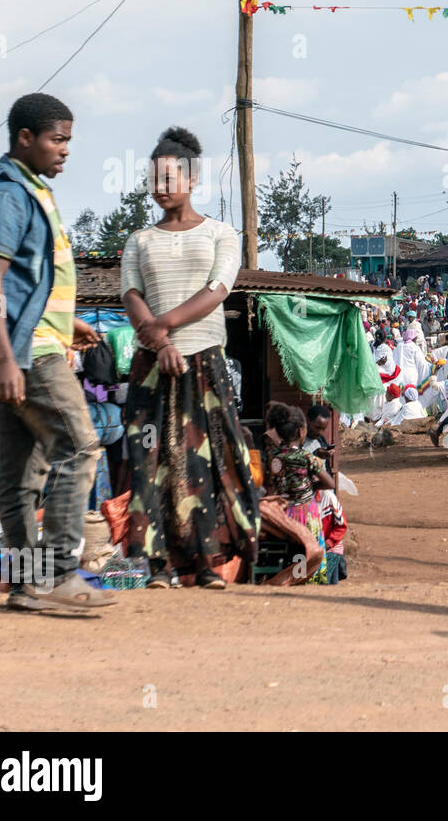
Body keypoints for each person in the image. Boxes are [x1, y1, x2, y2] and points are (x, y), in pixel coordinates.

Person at [0, 93, 113, 610]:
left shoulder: (32, 191)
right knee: (80, 447)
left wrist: (62, 318)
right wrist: (6, 358)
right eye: (57, 139)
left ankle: (29, 585)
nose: (66, 149)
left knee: (20, 473)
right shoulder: (6, 196)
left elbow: (27, 283)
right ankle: (56, 574)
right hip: (30, 356)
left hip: (35, 342)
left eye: (68, 139)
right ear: (24, 139)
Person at [120, 126, 259, 590]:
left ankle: (207, 563)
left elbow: (217, 291)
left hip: (204, 362)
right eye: (153, 178)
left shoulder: (221, 234)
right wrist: (160, 344)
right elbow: (132, 297)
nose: (160, 187)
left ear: (191, 178)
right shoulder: (138, 241)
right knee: (150, 461)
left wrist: (164, 328)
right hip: (152, 367)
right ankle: (157, 567)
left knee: (209, 462)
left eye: (169, 177)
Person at [266, 404, 335, 584]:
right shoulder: (306, 458)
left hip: (281, 513)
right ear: (301, 431)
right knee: (307, 550)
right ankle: (304, 579)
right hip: (305, 513)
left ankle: (288, 578)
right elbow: (330, 483)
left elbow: (271, 484)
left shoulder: (273, 455)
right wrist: (312, 486)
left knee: (293, 551)